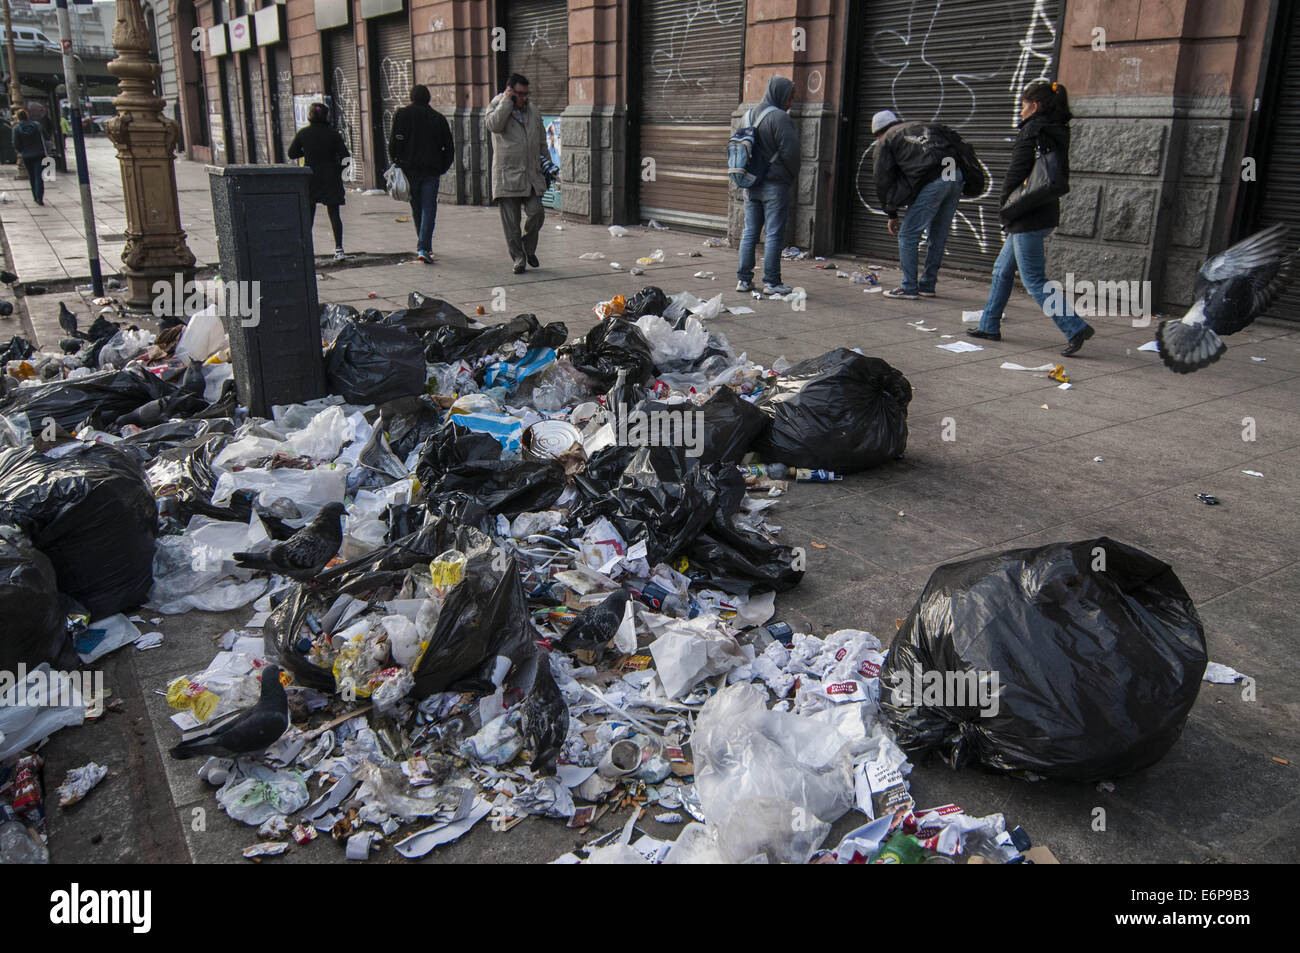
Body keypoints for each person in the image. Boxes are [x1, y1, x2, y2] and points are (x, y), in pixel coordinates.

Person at [967, 80, 1094, 356]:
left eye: (1023, 104)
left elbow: (1016, 173)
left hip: (1027, 215)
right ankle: (989, 325)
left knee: (1034, 279)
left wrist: (1004, 207)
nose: (1021, 110)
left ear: (1034, 106)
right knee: (1001, 271)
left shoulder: (1033, 131)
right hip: (1040, 210)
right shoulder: (1055, 130)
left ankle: (1074, 327)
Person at [872, 109, 971, 298]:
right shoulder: (921, 126)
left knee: (908, 235)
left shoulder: (887, 140)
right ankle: (927, 285)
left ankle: (909, 287)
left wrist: (891, 213)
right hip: (955, 175)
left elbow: (882, 179)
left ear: (879, 133)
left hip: (933, 180)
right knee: (938, 235)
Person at [735, 76, 801, 296]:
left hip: (750, 183)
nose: (790, 102)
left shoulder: (747, 116)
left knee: (749, 232)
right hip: (774, 184)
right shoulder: (779, 117)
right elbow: (791, 153)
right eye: (790, 97)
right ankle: (771, 282)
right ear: (780, 94)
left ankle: (744, 280)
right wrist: (790, 176)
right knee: (773, 234)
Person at [485, 73, 547, 275]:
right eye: (520, 94)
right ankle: (519, 258)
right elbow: (493, 125)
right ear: (510, 91)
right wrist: (506, 103)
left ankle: (528, 249)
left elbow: (541, 140)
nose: (524, 98)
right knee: (511, 223)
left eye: (526, 94)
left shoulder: (532, 110)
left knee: (536, 212)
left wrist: (547, 164)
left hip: (530, 173)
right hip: (507, 174)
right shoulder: (497, 106)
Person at [388, 84, 455, 264]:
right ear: (428, 98)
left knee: (417, 208)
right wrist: (442, 166)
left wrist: (397, 161)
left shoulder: (402, 115)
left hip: (409, 170)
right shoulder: (438, 118)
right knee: (428, 209)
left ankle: (423, 246)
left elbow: (394, 142)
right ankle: (424, 246)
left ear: (412, 97)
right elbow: (449, 147)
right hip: (431, 170)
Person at [288, 103, 350, 261]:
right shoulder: (333, 134)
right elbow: (345, 156)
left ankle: (306, 249)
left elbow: (292, 153)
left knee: (308, 215)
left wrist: (308, 152)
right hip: (331, 178)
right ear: (326, 116)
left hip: (311, 178)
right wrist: (339, 169)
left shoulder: (304, 134)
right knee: (334, 214)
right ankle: (339, 248)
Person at [11, 109, 47, 206]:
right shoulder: (36, 125)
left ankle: (35, 196)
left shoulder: (17, 128)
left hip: (26, 155)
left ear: (18, 117)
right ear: (27, 116)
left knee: (31, 175)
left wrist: (21, 150)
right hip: (39, 153)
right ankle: (39, 196)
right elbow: (45, 135)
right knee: (39, 175)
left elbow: (15, 143)